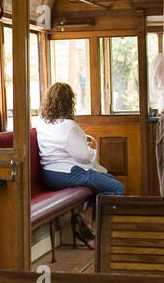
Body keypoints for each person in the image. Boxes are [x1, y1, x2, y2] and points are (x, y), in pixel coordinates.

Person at [34, 81, 125, 245]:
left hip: (50, 174)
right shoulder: (69, 126)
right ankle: (104, 230)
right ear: (69, 103)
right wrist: (91, 150)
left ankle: (88, 214)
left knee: (108, 179)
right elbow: (83, 156)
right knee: (117, 188)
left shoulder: (41, 122)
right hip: (68, 172)